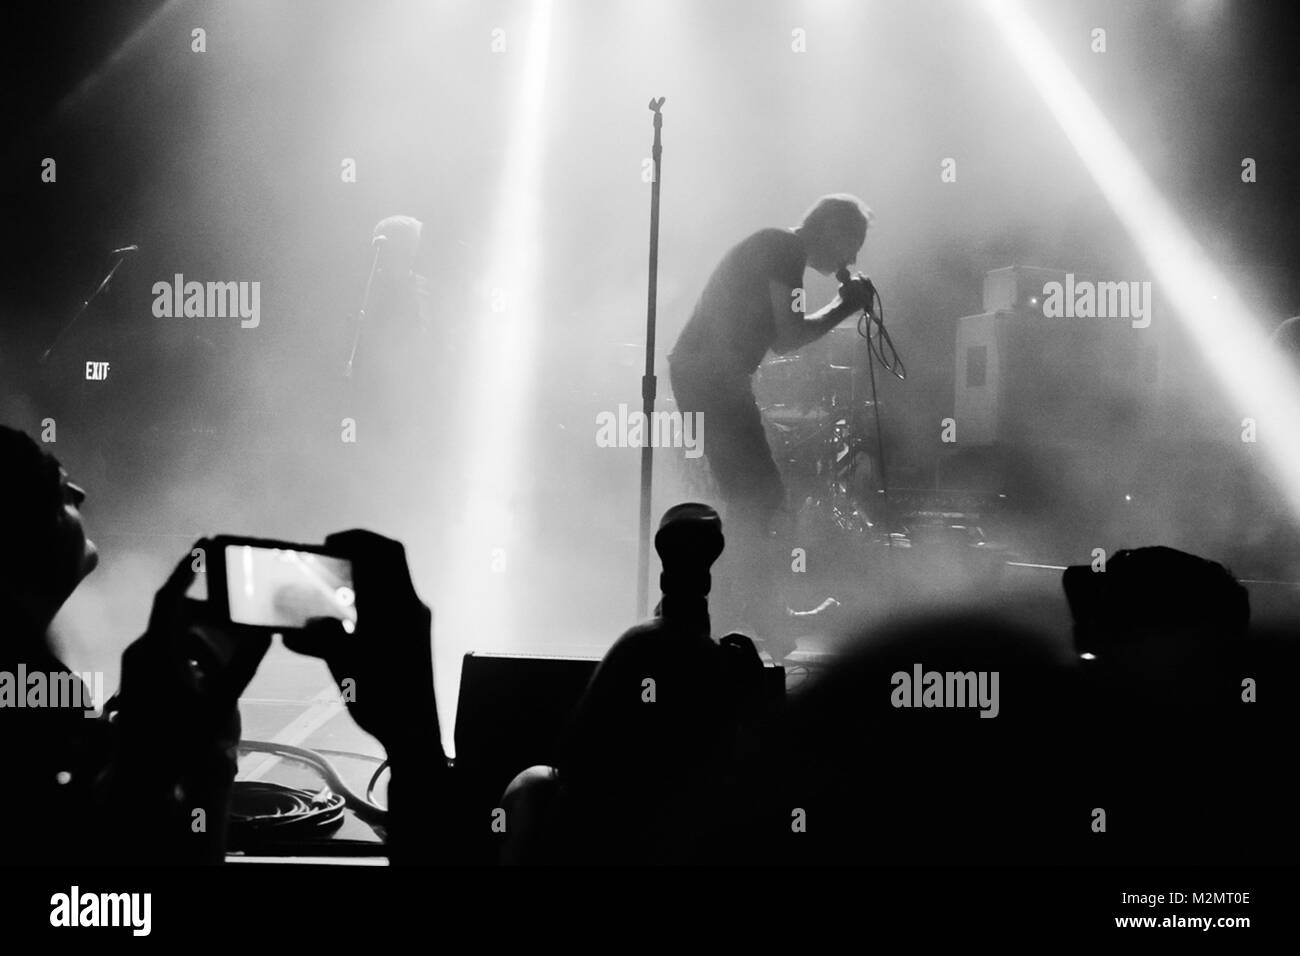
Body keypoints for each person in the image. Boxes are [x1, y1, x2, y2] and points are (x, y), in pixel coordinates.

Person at [0, 425, 271, 864]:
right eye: (59, 485)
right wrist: (210, 753)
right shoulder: (39, 699)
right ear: (21, 523)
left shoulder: (36, 685)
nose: (80, 493)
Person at [500, 503, 769, 865]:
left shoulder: (639, 643)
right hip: (673, 836)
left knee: (532, 784)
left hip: (605, 832)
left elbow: (573, 750)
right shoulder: (714, 660)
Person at [668, 195, 876, 655]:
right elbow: (789, 335)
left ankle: (722, 612)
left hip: (710, 375)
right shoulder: (784, 248)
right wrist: (844, 307)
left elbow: (782, 338)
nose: (852, 259)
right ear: (833, 230)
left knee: (753, 497)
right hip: (712, 375)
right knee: (758, 495)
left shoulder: (781, 249)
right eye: (853, 243)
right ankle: (738, 613)